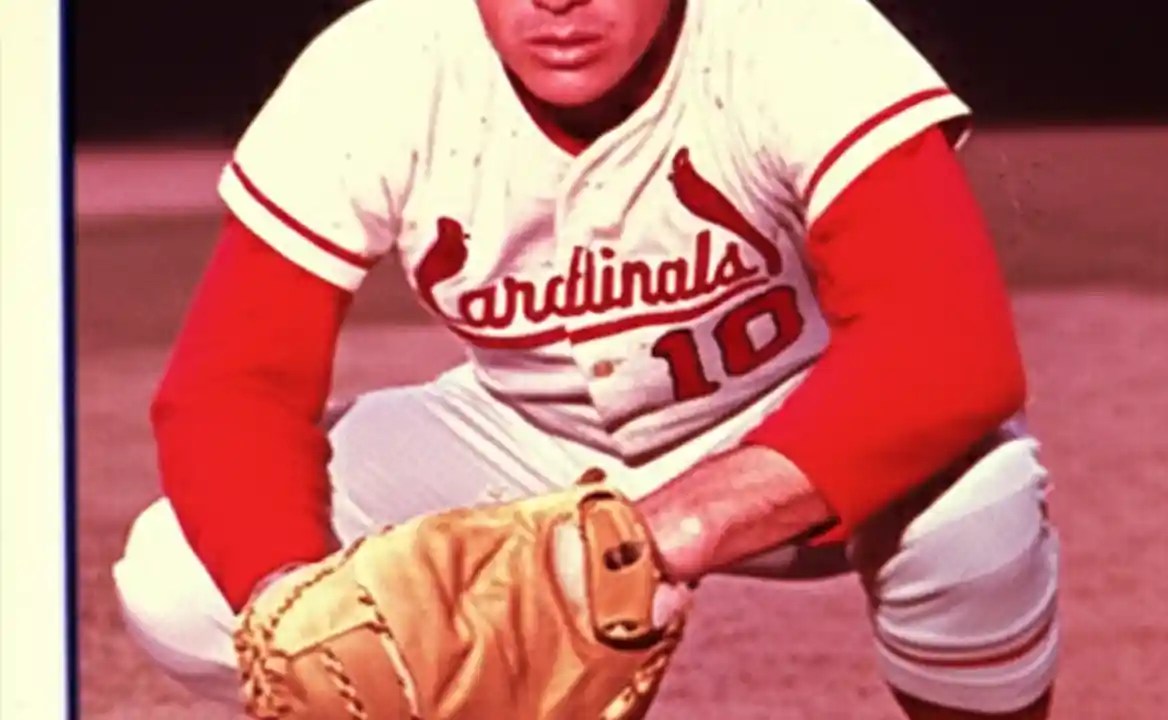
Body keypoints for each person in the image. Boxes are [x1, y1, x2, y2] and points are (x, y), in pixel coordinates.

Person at [112, 0, 1060, 717]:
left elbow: (947, 349)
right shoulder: (383, 60)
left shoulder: (794, 30)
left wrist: (654, 537)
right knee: (186, 582)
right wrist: (298, 598)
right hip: (522, 431)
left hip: (788, 415)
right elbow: (232, 389)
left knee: (976, 506)